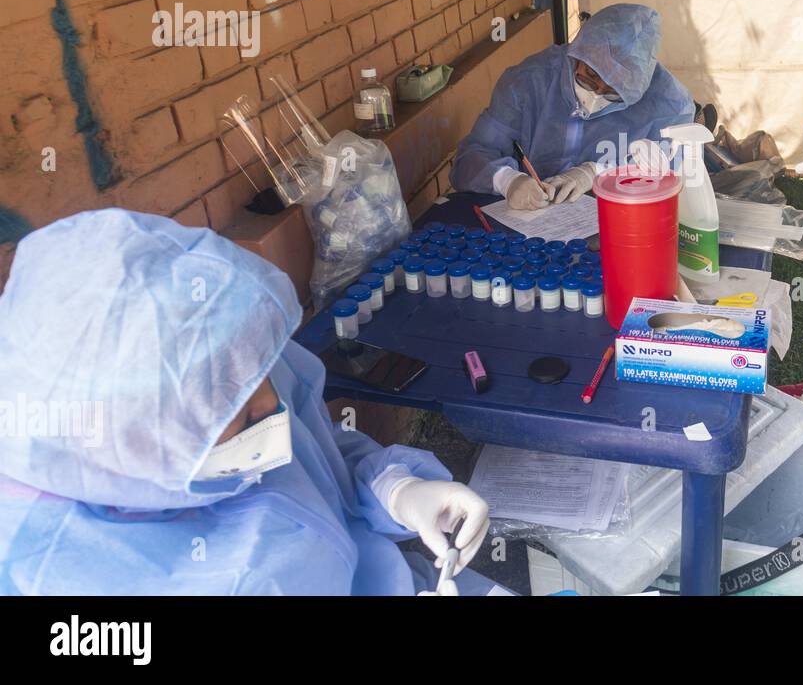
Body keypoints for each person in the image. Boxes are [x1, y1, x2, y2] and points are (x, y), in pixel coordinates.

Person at [0, 209, 494, 596]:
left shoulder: (222, 363)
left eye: (259, 371)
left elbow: (319, 447)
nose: (270, 400)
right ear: (132, 444)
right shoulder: (46, 570)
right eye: (234, 409)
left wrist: (397, 490)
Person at [451, 3, 695, 208]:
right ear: (580, 53)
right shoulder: (528, 82)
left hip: (622, 227)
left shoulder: (669, 104)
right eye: (589, 75)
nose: (596, 93)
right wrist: (507, 180)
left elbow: (672, 176)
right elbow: (471, 156)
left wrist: (598, 172)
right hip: (533, 223)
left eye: (612, 92)